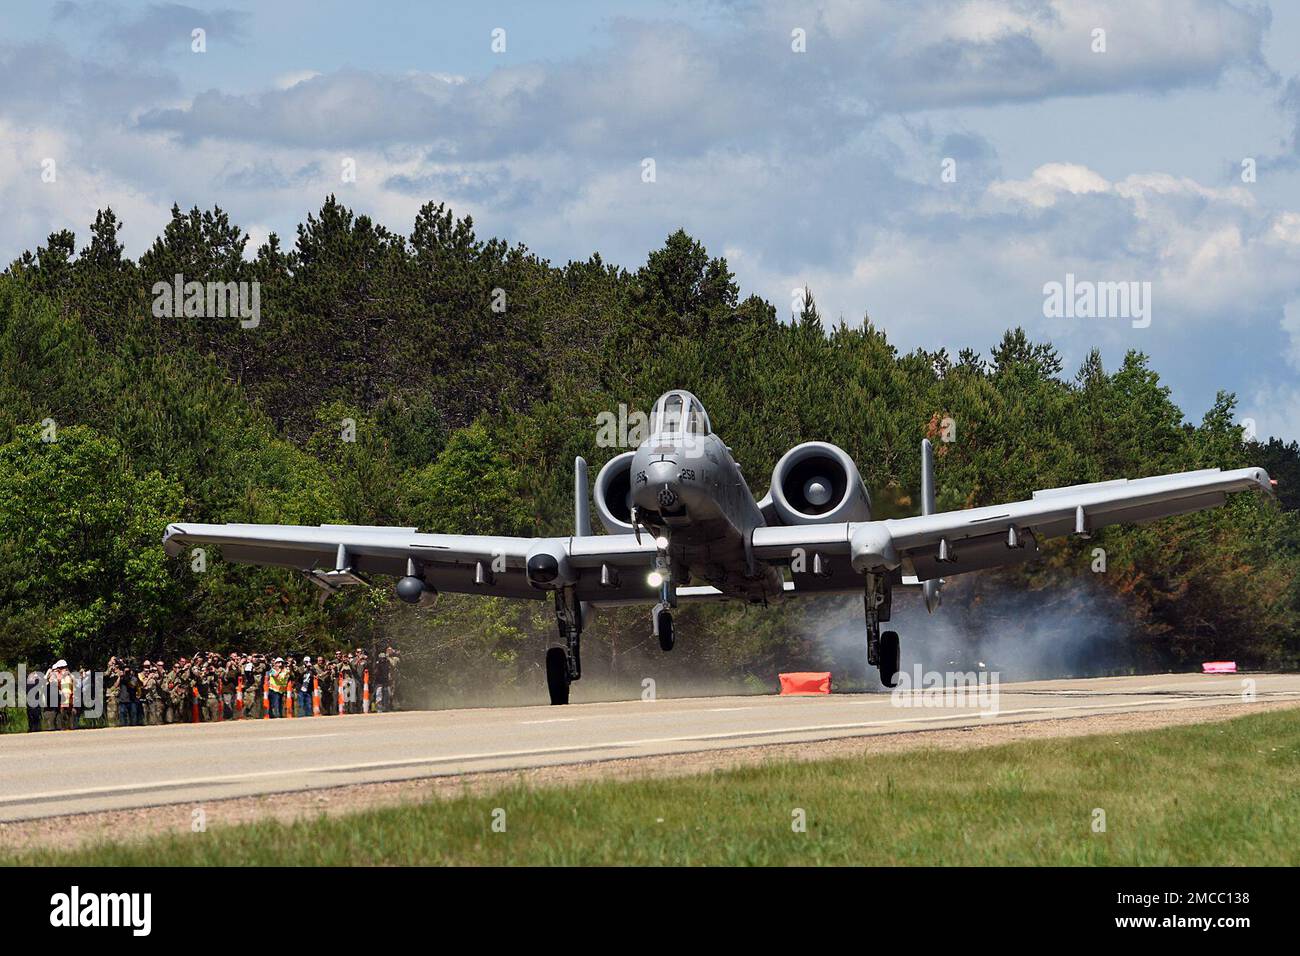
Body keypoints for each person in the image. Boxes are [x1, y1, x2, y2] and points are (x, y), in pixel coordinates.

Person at [25, 666, 43, 732]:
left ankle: (33, 728)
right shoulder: (33, 683)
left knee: (33, 718)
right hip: (34, 703)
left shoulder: (28, 684)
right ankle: (35, 728)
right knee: (34, 717)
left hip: (32, 703)